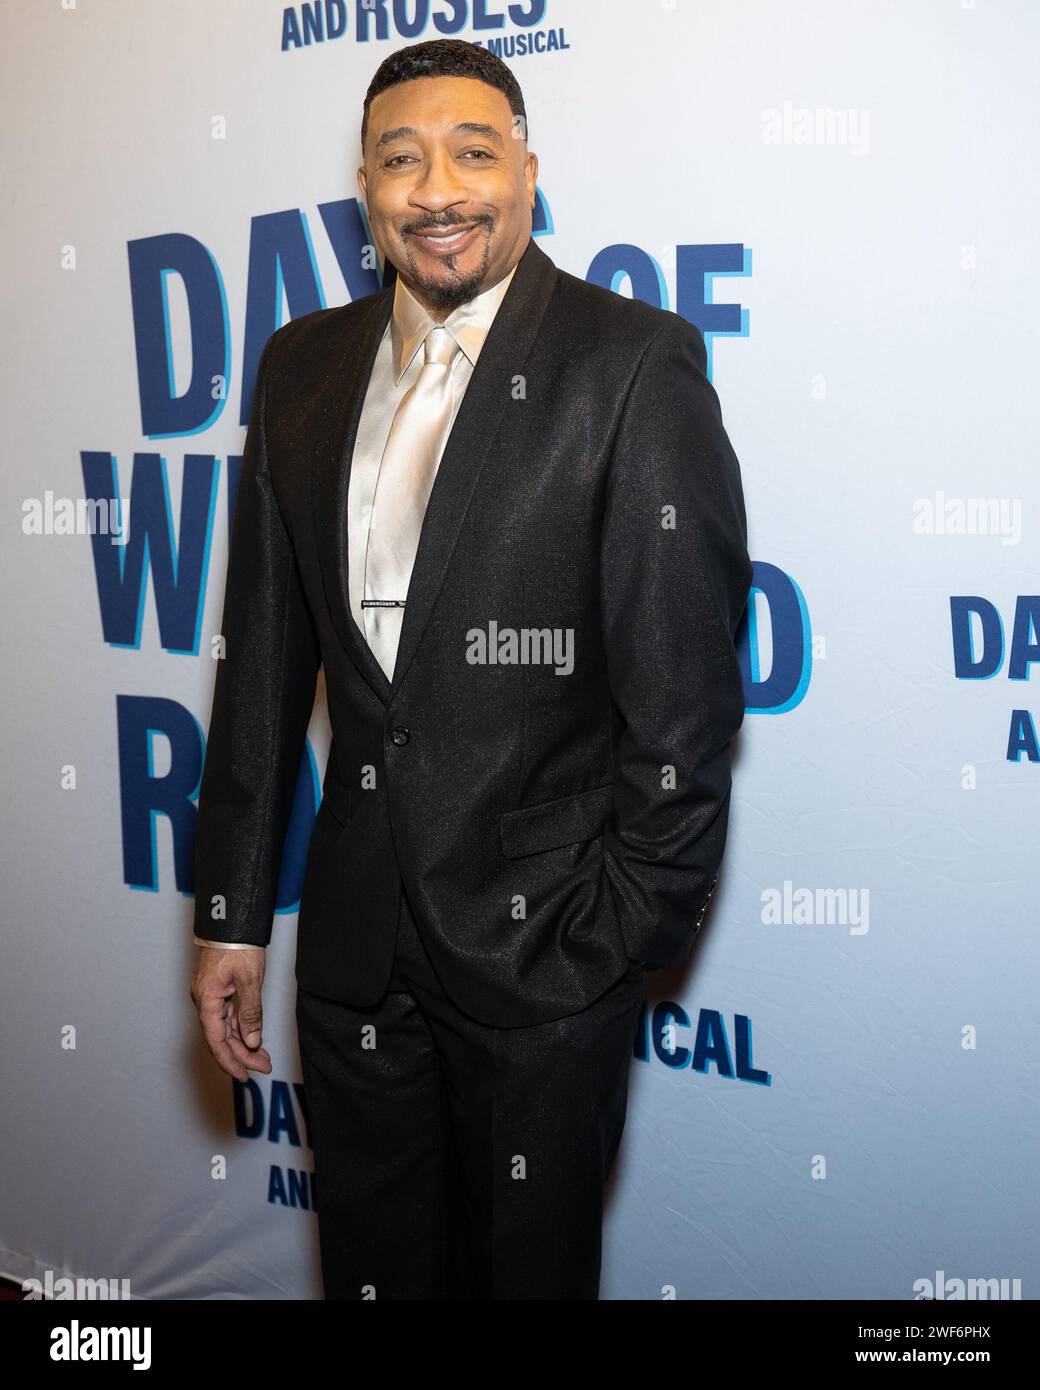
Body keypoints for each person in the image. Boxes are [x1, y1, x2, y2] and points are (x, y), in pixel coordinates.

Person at [190, 37, 753, 1300]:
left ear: (528, 174)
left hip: (540, 965)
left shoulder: (628, 366)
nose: (437, 189)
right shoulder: (300, 368)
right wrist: (231, 913)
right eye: (401, 159)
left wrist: (607, 942)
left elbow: (683, 700)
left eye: (472, 152)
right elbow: (264, 667)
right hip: (351, 956)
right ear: (363, 189)